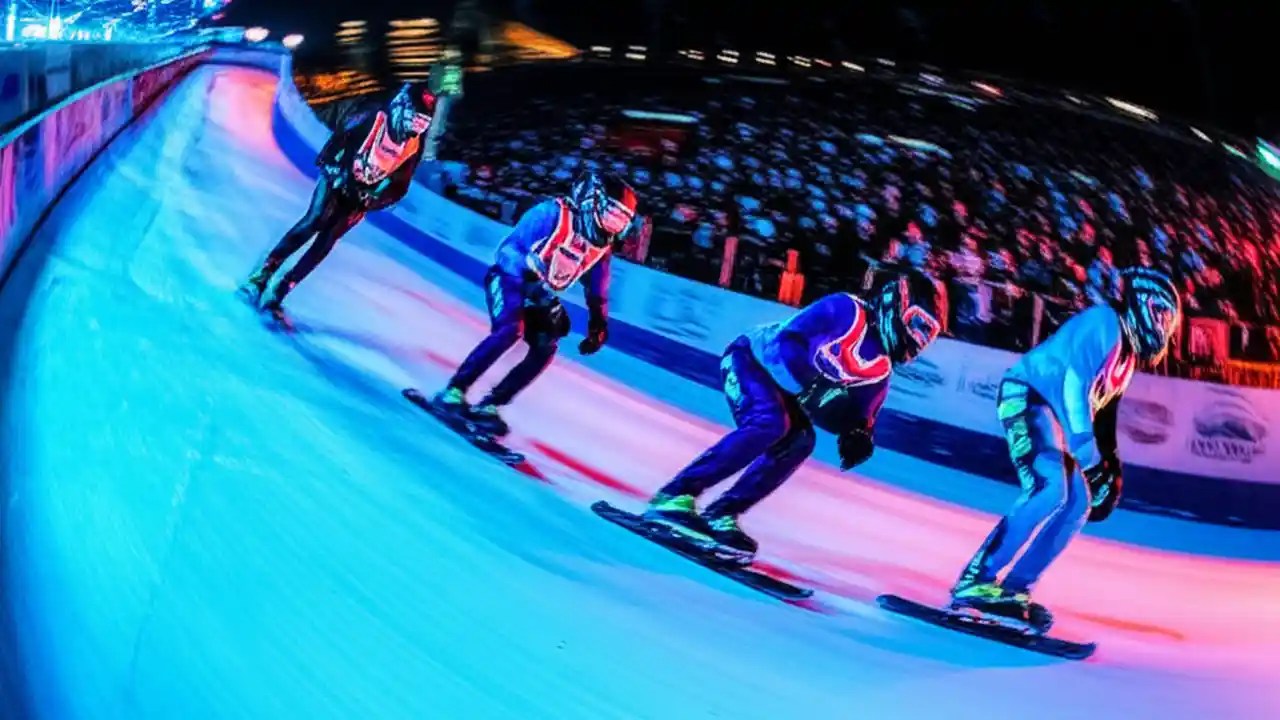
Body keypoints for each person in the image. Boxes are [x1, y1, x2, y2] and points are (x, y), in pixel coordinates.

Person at [643, 270, 950, 562]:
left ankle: (722, 512)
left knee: (801, 441)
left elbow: (863, 414)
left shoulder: (880, 370)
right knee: (770, 423)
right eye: (917, 325)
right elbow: (788, 342)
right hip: (748, 360)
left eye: (928, 334)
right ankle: (675, 494)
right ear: (895, 305)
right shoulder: (845, 310)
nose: (918, 340)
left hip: (784, 389)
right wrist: (812, 388)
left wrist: (859, 435)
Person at [950, 266, 1181, 631]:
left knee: (1078, 503)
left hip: (1050, 414)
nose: (1165, 328)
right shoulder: (1105, 322)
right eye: (1162, 315)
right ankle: (976, 579)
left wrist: (1110, 470)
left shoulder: (1126, 358)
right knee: (1051, 486)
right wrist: (1091, 460)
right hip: (1028, 395)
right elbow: (1075, 388)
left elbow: (1103, 416)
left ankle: (1015, 589)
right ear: (1143, 305)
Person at [430, 171, 639, 435]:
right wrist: (532, 282)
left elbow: (598, 288)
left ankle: (491, 405)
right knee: (509, 331)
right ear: (591, 201)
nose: (613, 226)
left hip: (538, 293)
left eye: (620, 221)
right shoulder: (552, 214)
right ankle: (453, 392)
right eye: (612, 215)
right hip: (508, 279)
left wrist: (598, 322)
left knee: (545, 348)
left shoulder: (602, 248)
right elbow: (509, 251)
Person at [239, 82, 437, 323]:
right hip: (338, 176)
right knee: (315, 220)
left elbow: (399, 187)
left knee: (326, 241)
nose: (413, 128)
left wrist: (373, 200)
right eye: (413, 119)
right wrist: (335, 171)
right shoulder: (373, 116)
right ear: (400, 107)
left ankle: (279, 292)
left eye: (421, 124)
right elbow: (338, 140)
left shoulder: (413, 146)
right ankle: (261, 277)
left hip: (360, 196)